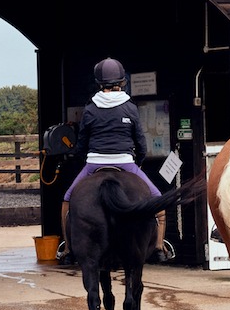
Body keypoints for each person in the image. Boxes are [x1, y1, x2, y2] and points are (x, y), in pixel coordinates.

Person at [59, 57, 169, 264]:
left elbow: (82, 143)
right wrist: (139, 162)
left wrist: (85, 158)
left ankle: (67, 248)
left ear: (99, 83)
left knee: (67, 199)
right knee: (158, 199)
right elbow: (141, 142)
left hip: (94, 163)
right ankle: (159, 246)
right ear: (122, 82)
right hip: (126, 162)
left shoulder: (91, 108)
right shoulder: (130, 107)